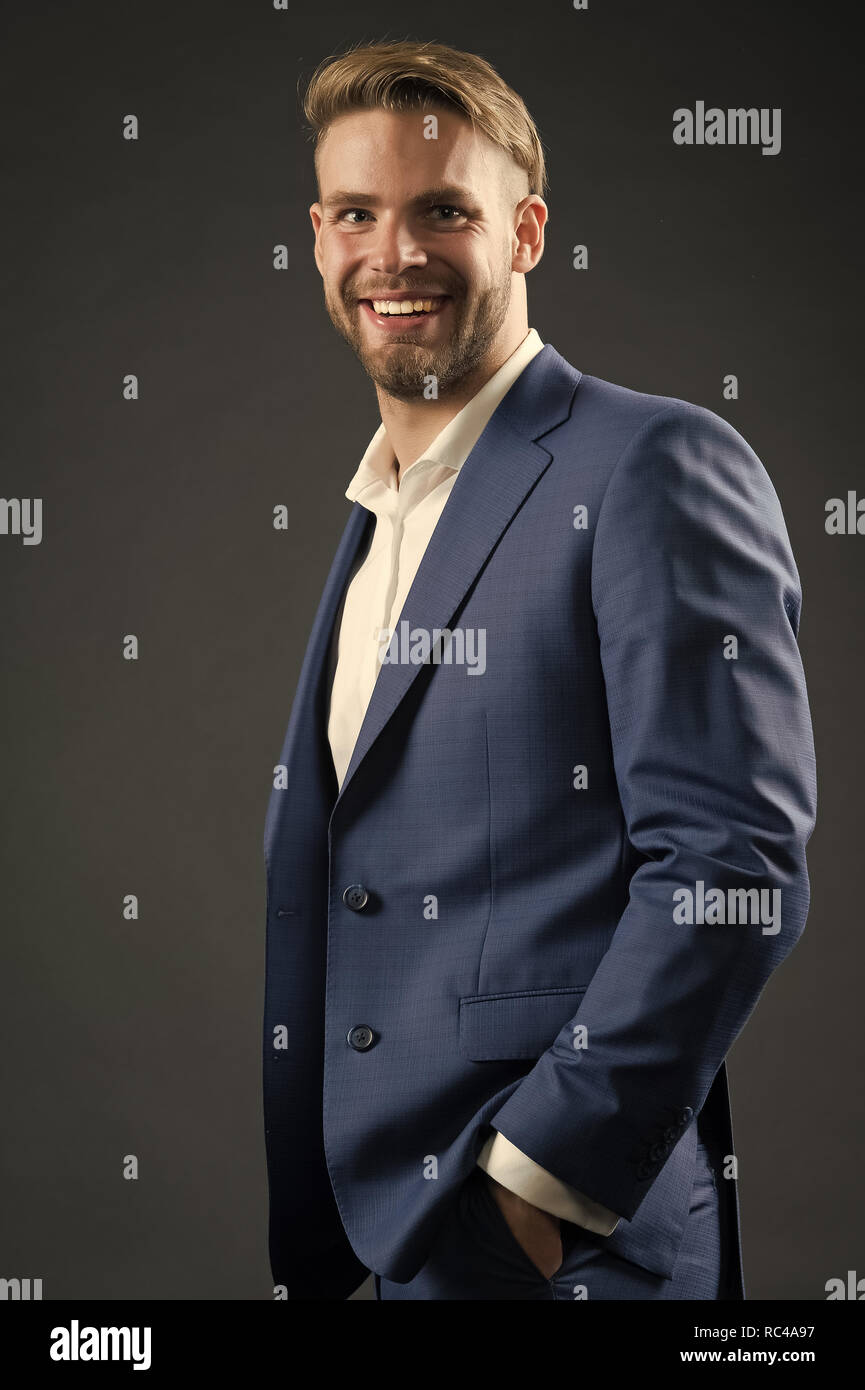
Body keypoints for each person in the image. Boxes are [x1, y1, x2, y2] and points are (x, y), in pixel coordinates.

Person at [262, 39, 816, 1301]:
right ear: (317, 234)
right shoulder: (376, 518)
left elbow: (734, 864)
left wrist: (529, 1199)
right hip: (371, 1249)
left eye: (443, 210)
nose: (392, 254)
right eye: (358, 212)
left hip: (563, 1256)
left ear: (522, 233)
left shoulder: (652, 465)